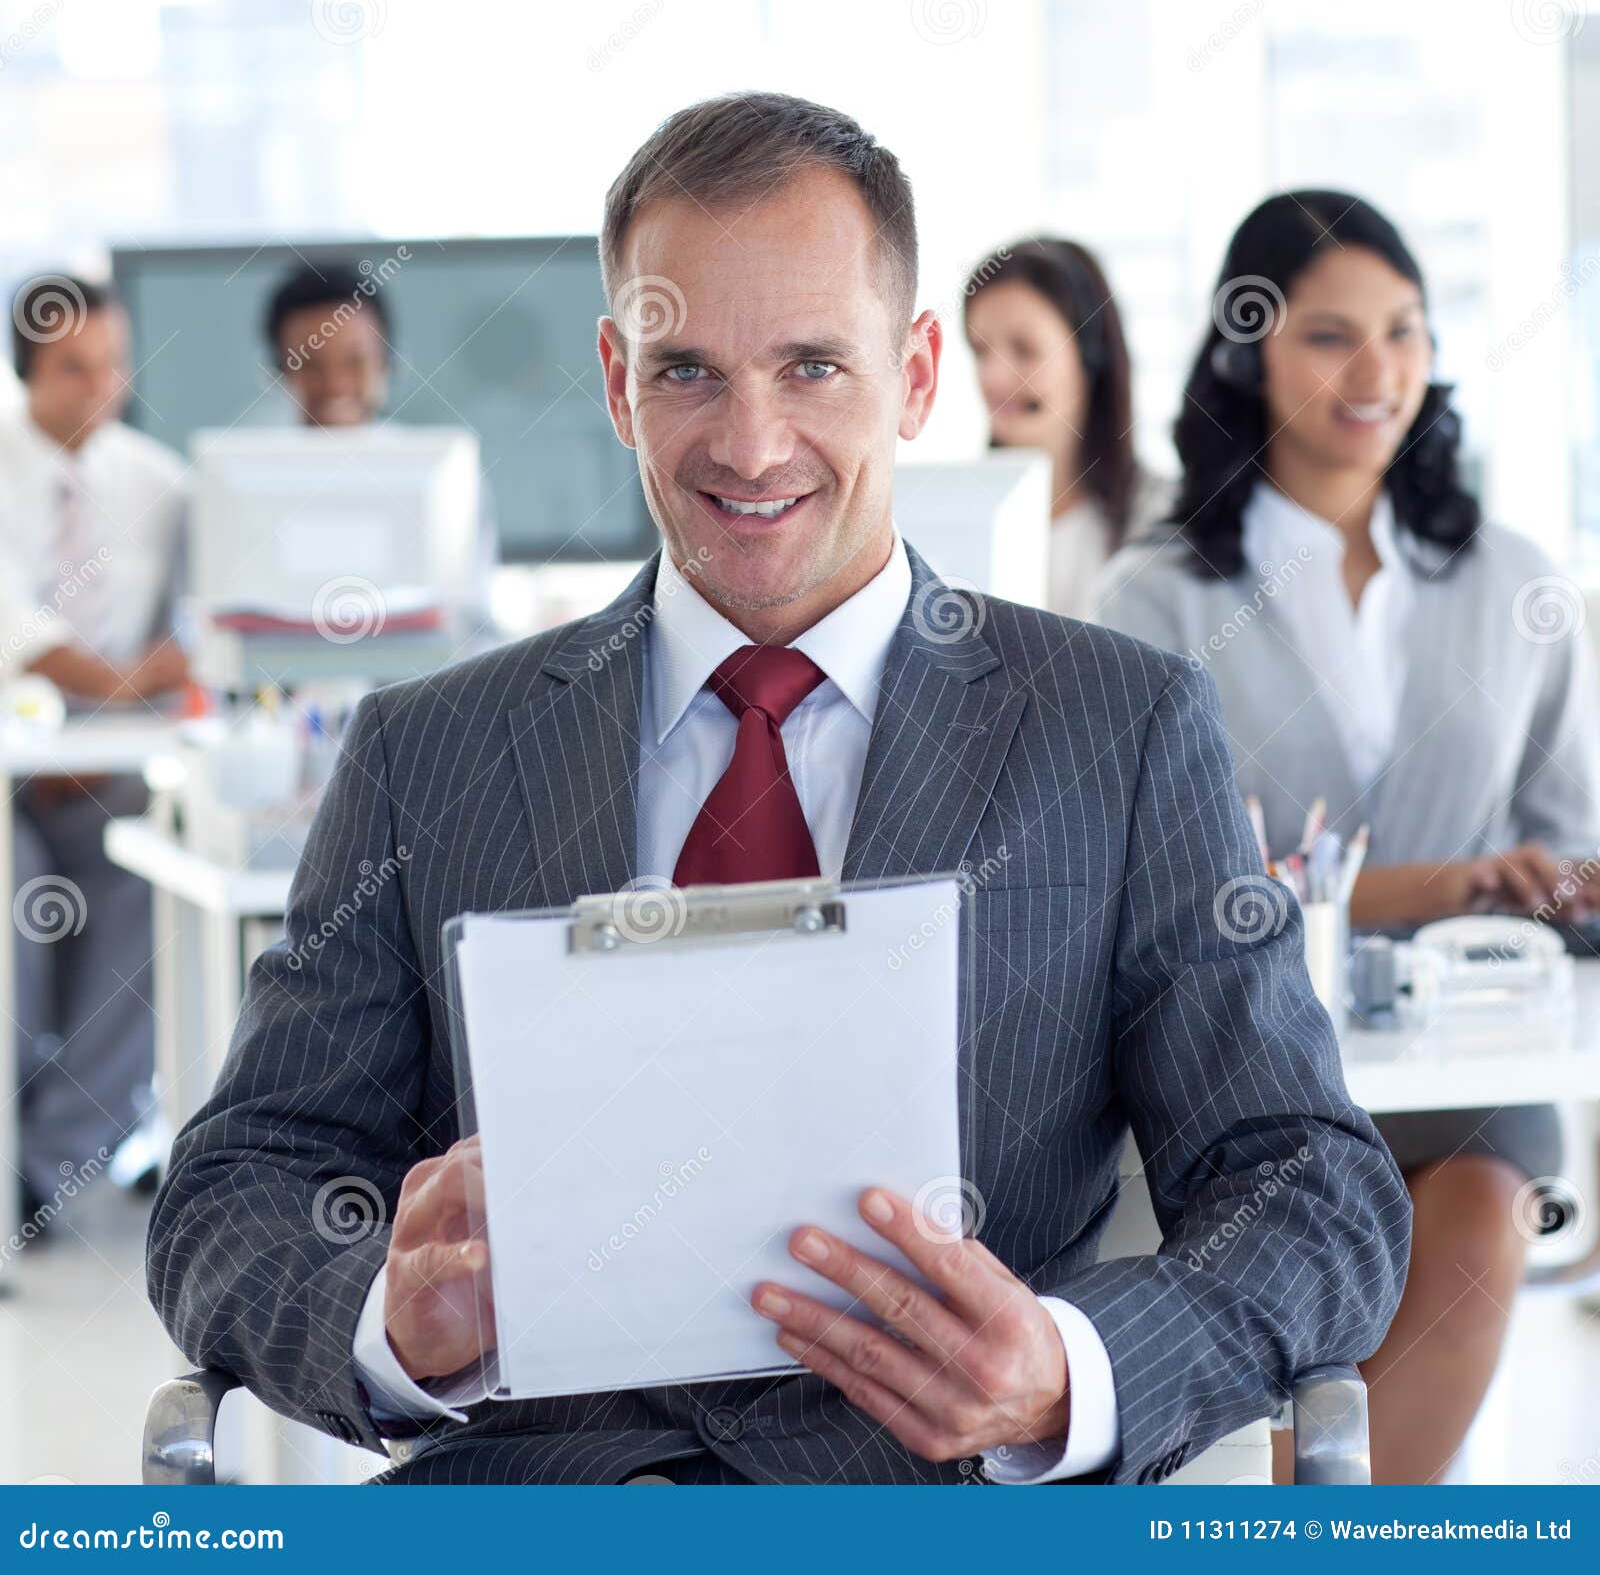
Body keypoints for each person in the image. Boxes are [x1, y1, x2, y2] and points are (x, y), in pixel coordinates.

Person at [149, 96, 1409, 1486]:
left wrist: (1066, 1366)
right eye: (689, 371)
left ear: (918, 375)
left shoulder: (1119, 726)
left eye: (813, 365)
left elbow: (1312, 1186)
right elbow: (233, 1184)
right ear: (619, 381)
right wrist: (392, 1319)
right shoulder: (426, 750)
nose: (751, 447)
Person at [1094, 190, 1600, 1484]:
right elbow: (1152, 892)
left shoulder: (1514, 581)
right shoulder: (1152, 597)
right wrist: (1442, 883)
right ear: (1246, 352)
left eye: (1405, 331)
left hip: (1460, 1062)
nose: (1378, 372)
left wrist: (1559, 889)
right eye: (1329, 335)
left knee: (1488, 1205)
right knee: (1276, 1268)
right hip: (1242, 1059)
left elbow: (1571, 841)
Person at [0, 274, 188, 1217]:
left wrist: (137, 701)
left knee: (155, 894)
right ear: (26, 369)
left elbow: (190, 634)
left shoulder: (158, 483)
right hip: (10, 786)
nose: (102, 387)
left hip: (109, 774)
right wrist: (127, 684)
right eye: (75, 369)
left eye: (113, 364)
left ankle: (51, 1162)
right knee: (16, 920)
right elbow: (20, 633)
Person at [262, 263, 501, 649]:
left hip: (419, 691)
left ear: (388, 362)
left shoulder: (445, 477)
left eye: (355, 361)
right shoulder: (248, 478)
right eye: (310, 363)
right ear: (280, 372)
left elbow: (472, 623)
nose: (336, 383)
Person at [962, 238, 1165, 618]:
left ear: (1089, 354)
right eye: (980, 351)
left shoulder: (1162, 518)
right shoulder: (962, 514)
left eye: (1025, 349)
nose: (992, 377)